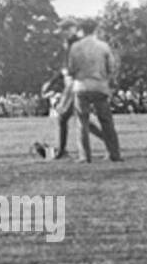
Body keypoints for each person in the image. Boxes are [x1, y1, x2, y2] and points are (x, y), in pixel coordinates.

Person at [36, 20, 103, 160]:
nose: (59, 34)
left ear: (70, 30)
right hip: (74, 85)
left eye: (62, 30)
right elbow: (65, 69)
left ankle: (61, 152)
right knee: (78, 118)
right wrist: (52, 81)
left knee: (63, 117)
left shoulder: (76, 44)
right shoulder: (69, 46)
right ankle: (109, 142)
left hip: (76, 85)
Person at [66, 20, 123, 163]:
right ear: (95, 30)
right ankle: (114, 153)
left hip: (82, 86)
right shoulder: (103, 46)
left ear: (81, 30)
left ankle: (85, 156)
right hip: (100, 86)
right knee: (106, 121)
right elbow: (111, 66)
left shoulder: (75, 47)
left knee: (82, 122)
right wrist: (106, 78)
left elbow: (71, 69)